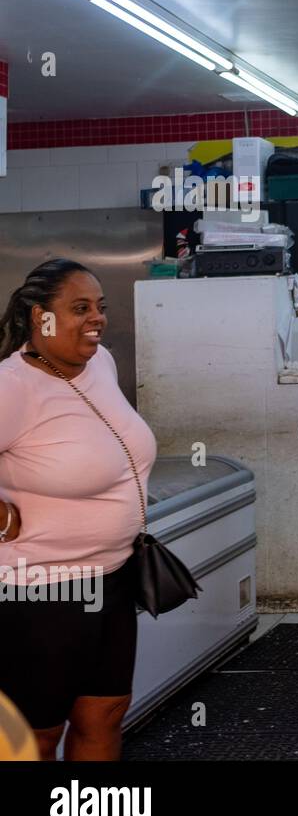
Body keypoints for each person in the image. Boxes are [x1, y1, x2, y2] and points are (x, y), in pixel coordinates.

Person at [0, 258, 158, 760]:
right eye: (80, 308)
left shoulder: (101, 364)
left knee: (104, 713)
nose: (97, 319)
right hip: (40, 590)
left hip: (114, 576)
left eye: (100, 308)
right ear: (38, 317)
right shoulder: (12, 386)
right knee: (34, 735)